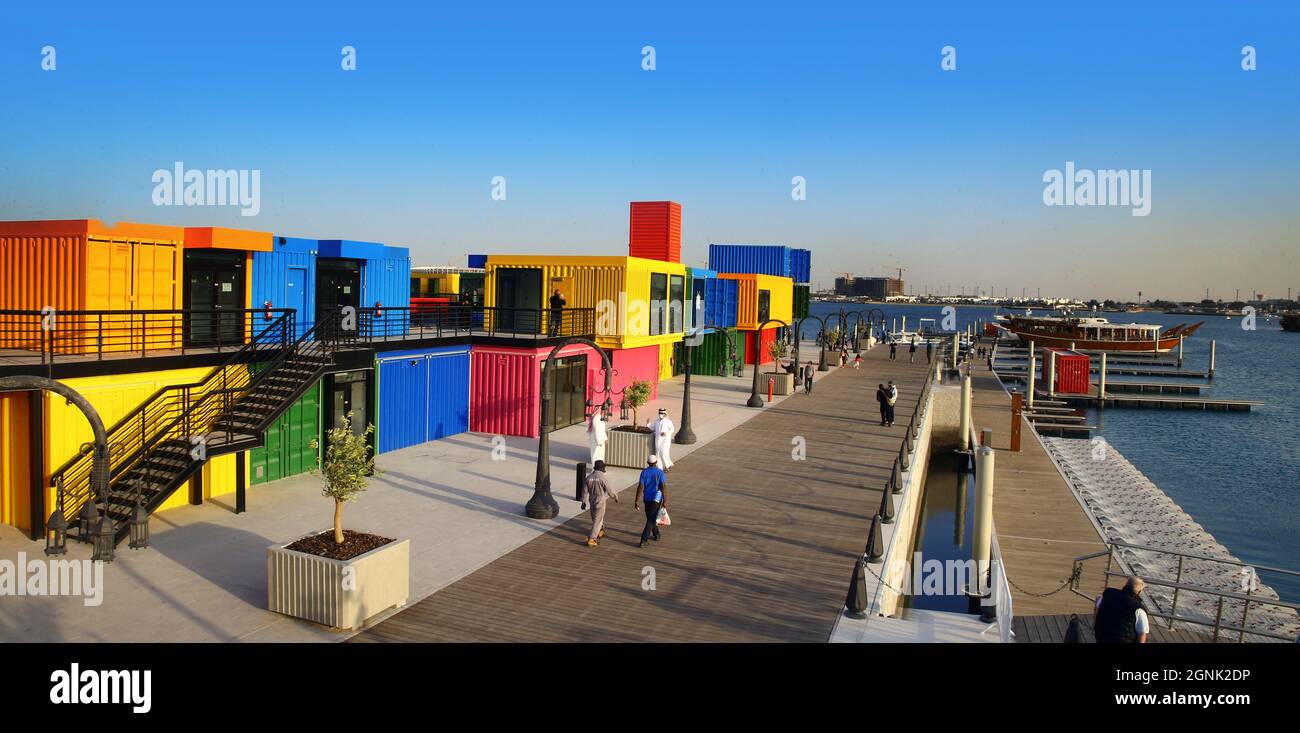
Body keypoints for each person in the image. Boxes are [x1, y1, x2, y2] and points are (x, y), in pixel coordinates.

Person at [1094, 576, 1150, 644]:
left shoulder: (1108, 594)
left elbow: (1097, 608)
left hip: (1101, 637)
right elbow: (1142, 634)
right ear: (1139, 592)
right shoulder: (1138, 609)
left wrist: (1096, 626)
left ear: (1125, 585)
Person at [580, 460, 618, 547]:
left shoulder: (588, 477)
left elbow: (584, 492)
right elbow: (609, 490)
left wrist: (583, 502)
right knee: (598, 520)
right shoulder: (602, 477)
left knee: (595, 518)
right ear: (601, 468)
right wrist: (615, 497)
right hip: (600, 500)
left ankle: (600, 531)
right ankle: (592, 538)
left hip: (592, 500)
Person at [634, 455, 668, 548]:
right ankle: (643, 540)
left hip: (647, 499)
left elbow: (640, 487)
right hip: (657, 499)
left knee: (650, 517)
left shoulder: (644, 472)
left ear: (648, 463)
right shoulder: (660, 472)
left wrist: (637, 500)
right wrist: (665, 500)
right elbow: (663, 487)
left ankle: (656, 534)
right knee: (651, 519)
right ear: (656, 462)